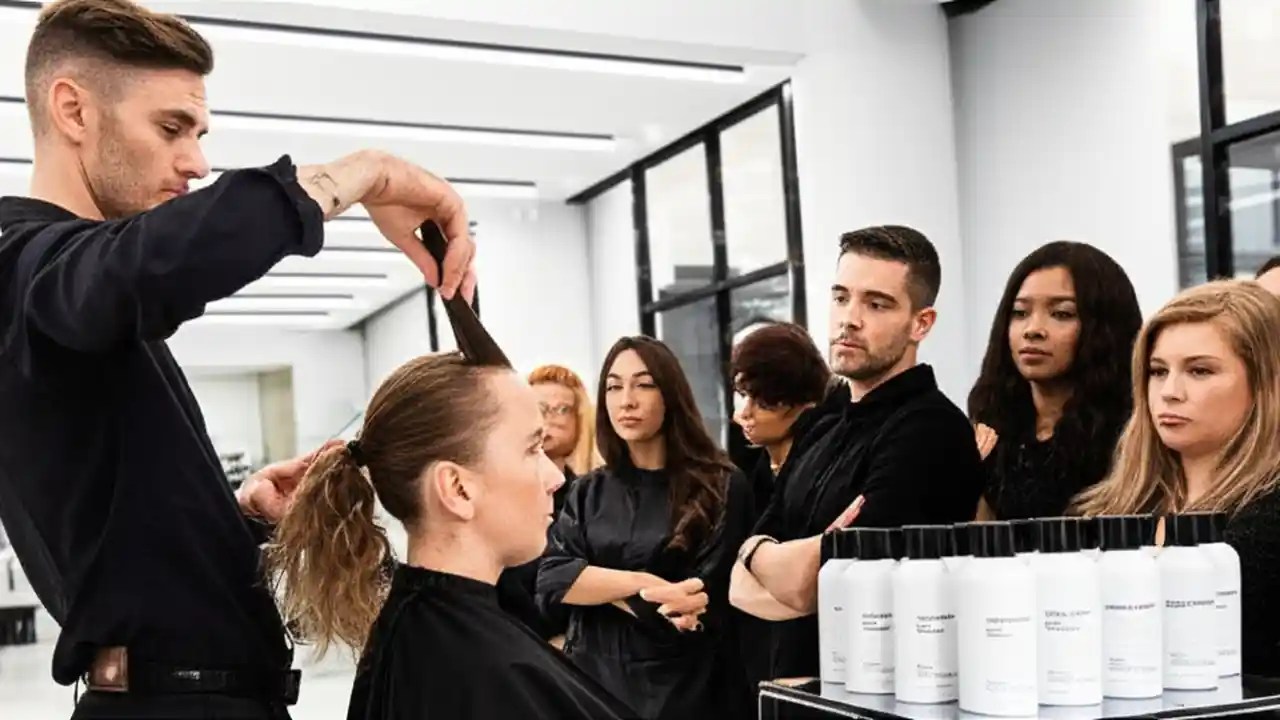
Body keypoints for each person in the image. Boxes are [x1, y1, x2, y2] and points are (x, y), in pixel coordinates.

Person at [0, 1, 474, 717]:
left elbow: (111, 525)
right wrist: (369, 175)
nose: (195, 161)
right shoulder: (29, 268)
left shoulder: (70, 305)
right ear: (73, 111)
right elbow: (142, 270)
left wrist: (238, 515)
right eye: (170, 128)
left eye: (198, 132)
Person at [266, 353, 637, 719]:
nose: (554, 478)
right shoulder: (485, 674)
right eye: (531, 449)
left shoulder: (421, 629)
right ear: (457, 489)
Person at [728, 225, 985, 683]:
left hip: (882, 697)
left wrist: (766, 557)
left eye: (876, 303)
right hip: (792, 694)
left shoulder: (930, 430)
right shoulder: (820, 426)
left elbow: (823, 588)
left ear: (920, 323)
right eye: (841, 297)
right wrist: (765, 553)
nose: (850, 318)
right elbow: (738, 585)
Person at [536, 336, 753, 719]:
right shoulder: (588, 490)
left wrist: (595, 586)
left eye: (644, 384)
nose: (627, 400)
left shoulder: (721, 484)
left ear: (671, 394)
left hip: (687, 692)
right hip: (592, 687)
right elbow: (552, 580)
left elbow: (692, 603)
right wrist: (638, 582)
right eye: (614, 387)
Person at [1072, 280, 1280, 676]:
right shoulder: (1103, 511)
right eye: (1157, 371)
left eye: (1200, 371)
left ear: (1265, 382)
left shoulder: (1268, 521)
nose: (1169, 392)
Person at [968, 241, 1143, 520]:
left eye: (1061, 314)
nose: (1033, 330)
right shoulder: (994, 428)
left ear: (1105, 329)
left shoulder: (1135, 434)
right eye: (1020, 313)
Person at [726, 321, 831, 703]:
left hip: (812, 661)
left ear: (800, 400)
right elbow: (733, 587)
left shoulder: (821, 467)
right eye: (742, 395)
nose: (745, 413)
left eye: (762, 399)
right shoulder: (749, 472)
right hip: (755, 663)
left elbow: (809, 592)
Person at [496, 364, 602, 642]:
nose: (549, 419)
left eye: (562, 409)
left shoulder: (592, 499)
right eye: (540, 407)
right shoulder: (499, 495)